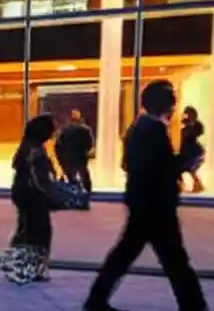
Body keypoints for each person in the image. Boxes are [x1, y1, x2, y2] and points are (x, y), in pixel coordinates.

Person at [84, 80, 207, 311]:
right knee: (173, 259)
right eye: (172, 102)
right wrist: (188, 155)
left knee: (128, 255)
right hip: (155, 205)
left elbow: (130, 164)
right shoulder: (152, 131)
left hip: (144, 202)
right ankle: (194, 306)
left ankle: (96, 300)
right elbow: (163, 168)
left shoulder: (139, 129)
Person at [9, 114, 57, 283]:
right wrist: (50, 192)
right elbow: (38, 177)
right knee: (37, 232)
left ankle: (21, 267)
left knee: (26, 230)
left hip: (25, 194)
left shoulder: (28, 148)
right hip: (32, 196)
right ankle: (29, 268)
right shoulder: (34, 151)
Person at [55, 109, 95, 200]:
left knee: (71, 177)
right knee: (84, 175)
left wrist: (61, 158)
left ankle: (73, 194)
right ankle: (86, 193)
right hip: (81, 156)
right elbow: (89, 144)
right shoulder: (85, 130)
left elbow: (59, 145)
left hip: (68, 157)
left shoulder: (65, 131)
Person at [179, 106, 206, 194]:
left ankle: (182, 185)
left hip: (191, 152)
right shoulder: (186, 128)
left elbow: (195, 133)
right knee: (189, 169)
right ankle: (193, 185)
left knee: (182, 168)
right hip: (191, 152)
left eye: (187, 114)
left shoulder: (193, 127)